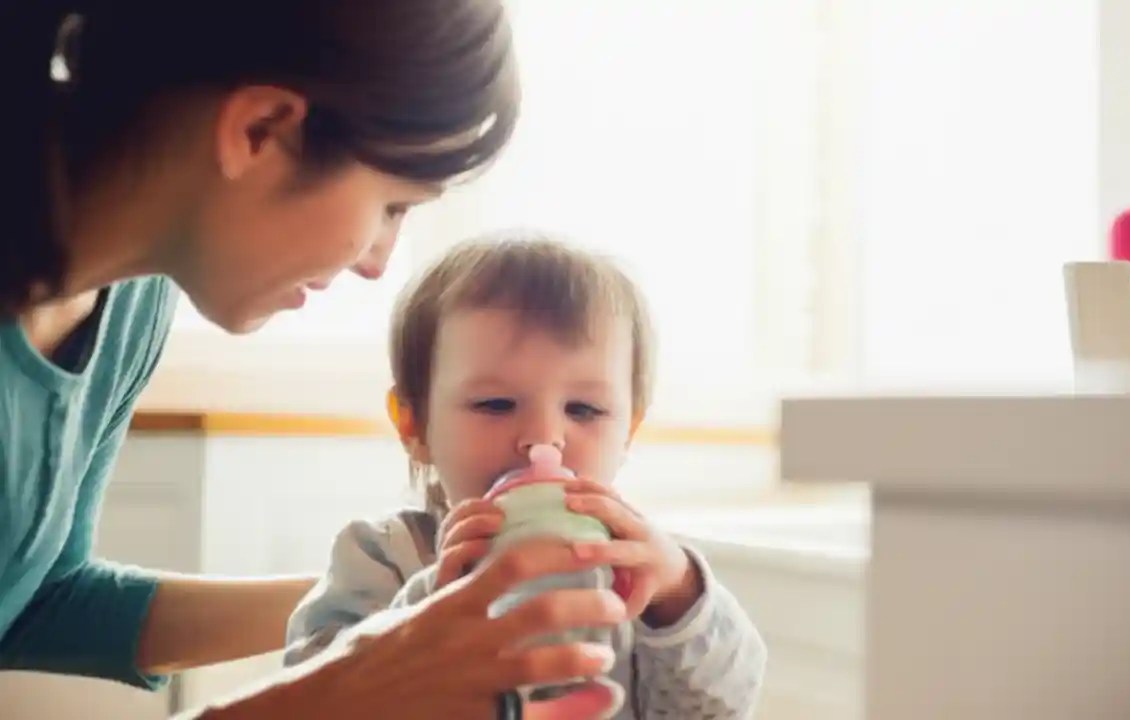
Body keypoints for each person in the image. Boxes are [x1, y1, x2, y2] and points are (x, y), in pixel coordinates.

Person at [0, 1, 627, 717]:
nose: (378, 262)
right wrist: (330, 695)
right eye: (393, 205)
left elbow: (35, 601)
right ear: (261, 130)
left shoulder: (129, 302)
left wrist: (393, 596)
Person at [283, 235, 768, 718]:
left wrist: (679, 594)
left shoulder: (636, 571)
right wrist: (429, 609)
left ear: (629, 432)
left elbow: (720, 708)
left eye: (584, 409)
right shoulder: (384, 555)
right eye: (496, 404)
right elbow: (307, 696)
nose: (542, 439)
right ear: (414, 424)